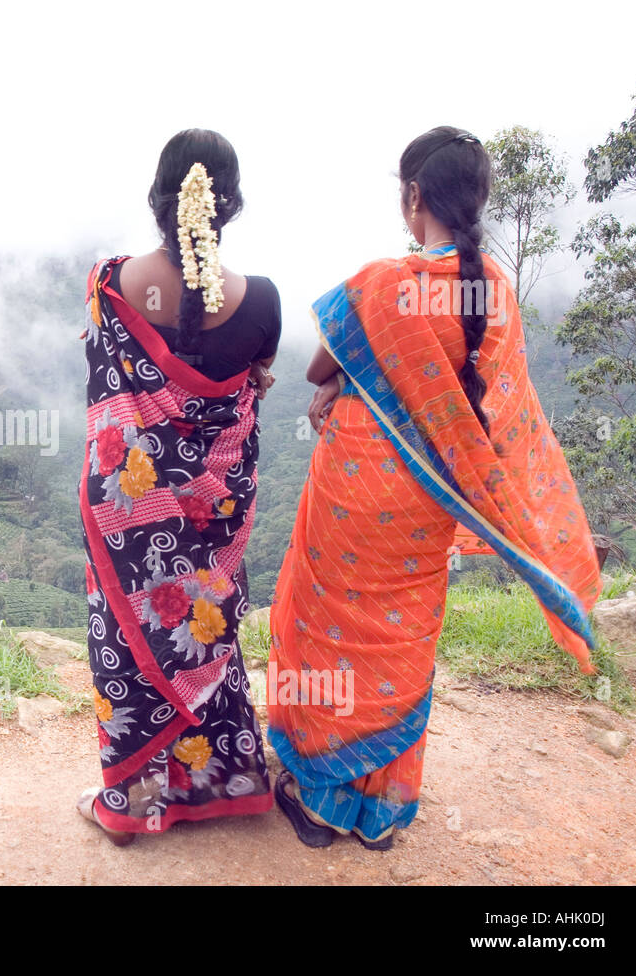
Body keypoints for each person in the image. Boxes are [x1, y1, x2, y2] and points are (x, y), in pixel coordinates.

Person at [268, 126, 602, 852]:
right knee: (400, 640)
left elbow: (319, 368)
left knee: (329, 633)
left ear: (414, 196)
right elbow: (497, 411)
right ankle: (380, 809)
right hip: (425, 509)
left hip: (355, 488)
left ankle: (323, 800)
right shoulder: (497, 294)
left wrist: (341, 384)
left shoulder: (385, 283)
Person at [76, 128, 281, 844]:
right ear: (233, 206)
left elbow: (113, 392)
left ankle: (130, 803)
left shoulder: (113, 284)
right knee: (207, 631)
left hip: (134, 514)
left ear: (159, 200)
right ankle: (224, 784)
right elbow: (252, 386)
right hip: (215, 518)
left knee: (132, 640)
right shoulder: (263, 303)